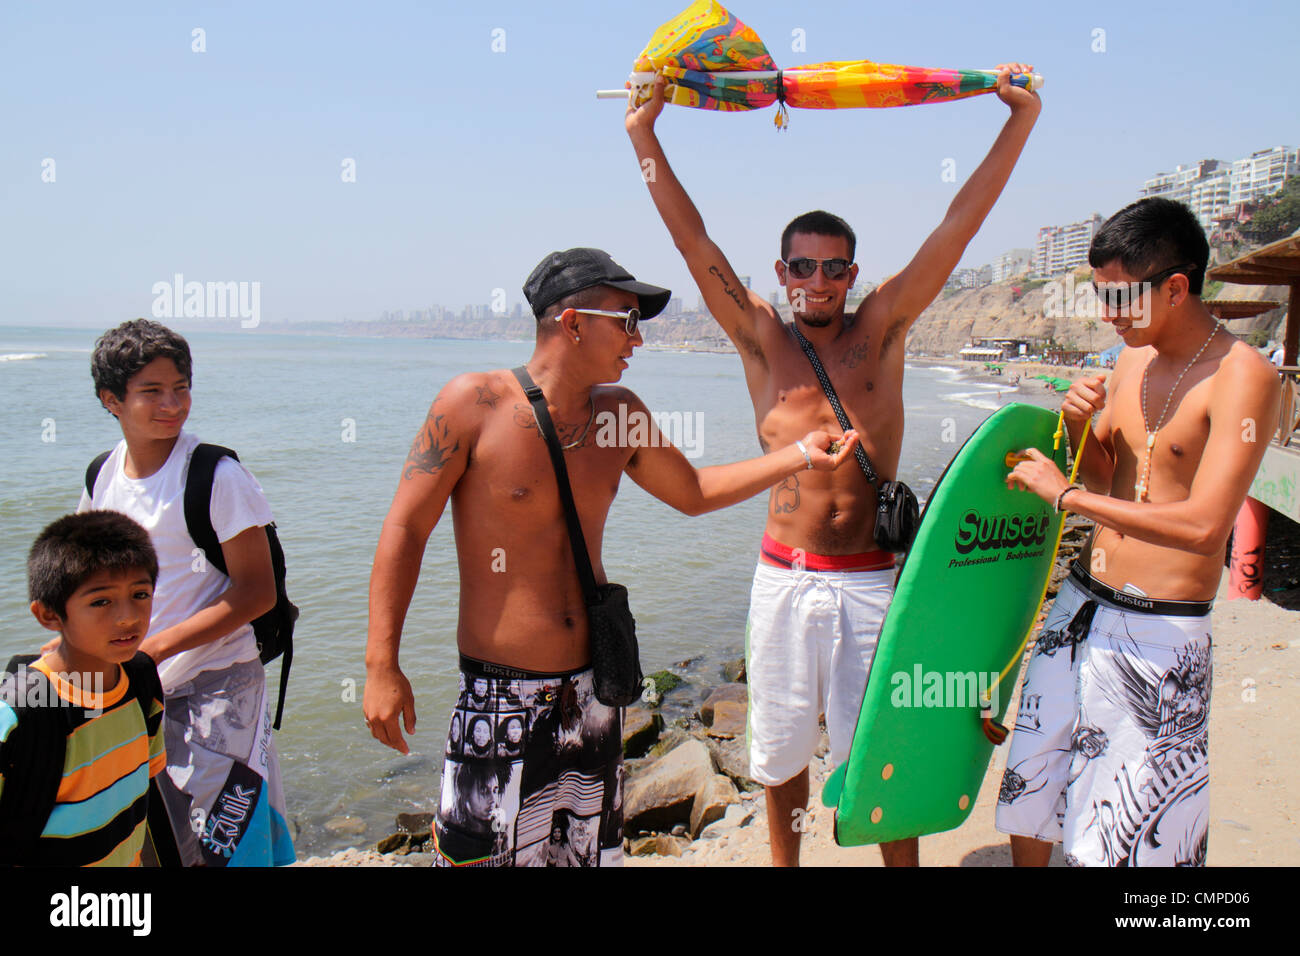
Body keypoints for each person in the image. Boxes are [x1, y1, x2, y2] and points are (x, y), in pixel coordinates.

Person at [625, 67, 1041, 866]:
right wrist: (646, 136)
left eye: (834, 268)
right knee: (778, 757)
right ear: (780, 275)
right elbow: (691, 240)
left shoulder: (881, 328)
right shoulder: (760, 337)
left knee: (882, 750)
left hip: (872, 581)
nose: (818, 282)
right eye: (802, 268)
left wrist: (1016, 119)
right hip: (783, 578)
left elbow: (958, 226)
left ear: (854, 274)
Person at [362, 247, 860, 867]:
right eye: (626, 320)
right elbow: (407, 525)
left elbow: (695, 492)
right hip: (499, 698)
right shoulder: (473, 404)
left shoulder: (618, 416)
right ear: (572, 322)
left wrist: (802, 455)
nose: (639, 339)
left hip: (594, 696)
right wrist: (382, 663)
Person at [996, 197, 1280, 867]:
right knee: (1031, 790)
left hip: (1160, 633)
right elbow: (1107, 482)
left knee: (1135, 832)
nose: (1107, 315)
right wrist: (1075, 429)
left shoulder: (1245, 378)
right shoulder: (1130, 360)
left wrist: (1063, 496)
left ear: (1175, 288)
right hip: (1081, 608)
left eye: (1120, 298)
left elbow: (1205, 523)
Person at [79, 319, 295, 866]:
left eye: (181, 388)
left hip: (218, 686)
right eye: (151, 391)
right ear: (111, 400)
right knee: (156, 838)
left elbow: (257, 592)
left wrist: (154, 650)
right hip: (141, 687)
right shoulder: (102, 477)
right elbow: (87, 584)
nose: (172, 403)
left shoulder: (215, 476)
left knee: (223, 845)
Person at [0, 512, 166, 866]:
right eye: (101, 601)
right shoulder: (19, 713)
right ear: (49, 615)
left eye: (140, 594)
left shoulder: (141, 681)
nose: (128, 617)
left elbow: (140, 791)